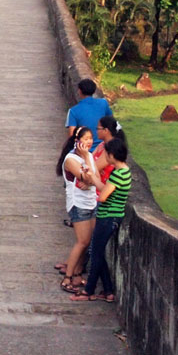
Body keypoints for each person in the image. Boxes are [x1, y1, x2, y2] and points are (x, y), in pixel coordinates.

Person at [71, 138, 132, 303]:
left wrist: (96, 184)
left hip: (108, 217)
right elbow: (104, 188)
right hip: (111, 216)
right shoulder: (124, 171)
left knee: (96, 253)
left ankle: (89, 290)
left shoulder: (118, 174)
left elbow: (103, 196)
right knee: (97, 252)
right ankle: (108, 291)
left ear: (112, 155)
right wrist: (92, 177)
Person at [55, 126, 98, 294]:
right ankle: (68, 277)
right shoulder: (71, 159)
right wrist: (89, 177)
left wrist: (89, 177)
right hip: (78, 204)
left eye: (90, 138)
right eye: (85, 139)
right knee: (82, 242)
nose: (89, 142)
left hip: (91, 202)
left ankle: (78, 274)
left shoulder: (89, 156)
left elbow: (95, 178)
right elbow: (88, 178)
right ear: (77, 141)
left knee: (88, 242)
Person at [66, 78, 113, 146]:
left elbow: (71, 135)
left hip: (84, 147)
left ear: (80, 91)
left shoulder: (73, 111)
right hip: (103, 147)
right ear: (94, 91)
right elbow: (111, 122)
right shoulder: (103, 103)